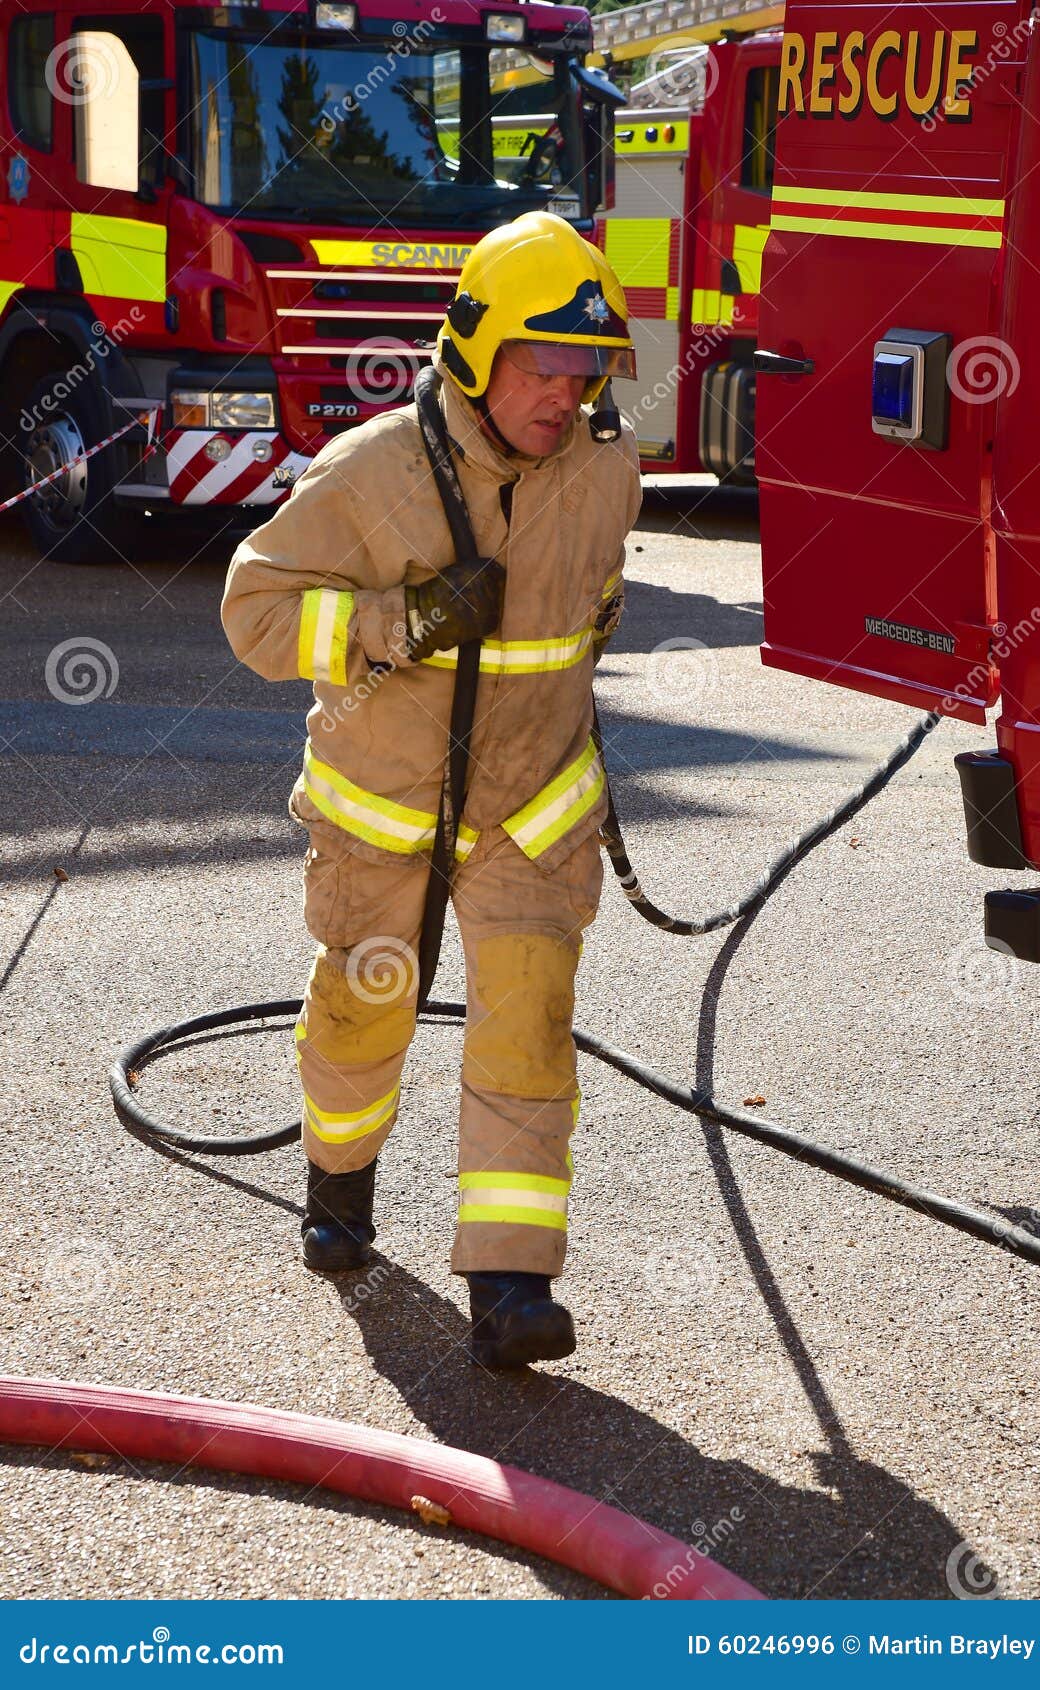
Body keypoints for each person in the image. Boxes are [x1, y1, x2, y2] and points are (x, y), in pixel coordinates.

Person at [221, 211, 642, 1367]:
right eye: (544, 368)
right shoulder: (370, 472)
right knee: (366, 1010)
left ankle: (511, 1286)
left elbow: (587, 619)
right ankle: (339, 1187)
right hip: (383, 811)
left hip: (533, 814)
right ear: (474, 353)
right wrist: (398, 621)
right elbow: (251, 615)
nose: (568, 395)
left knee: (528, 1029)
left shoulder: (607, 470)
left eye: (587, 370)